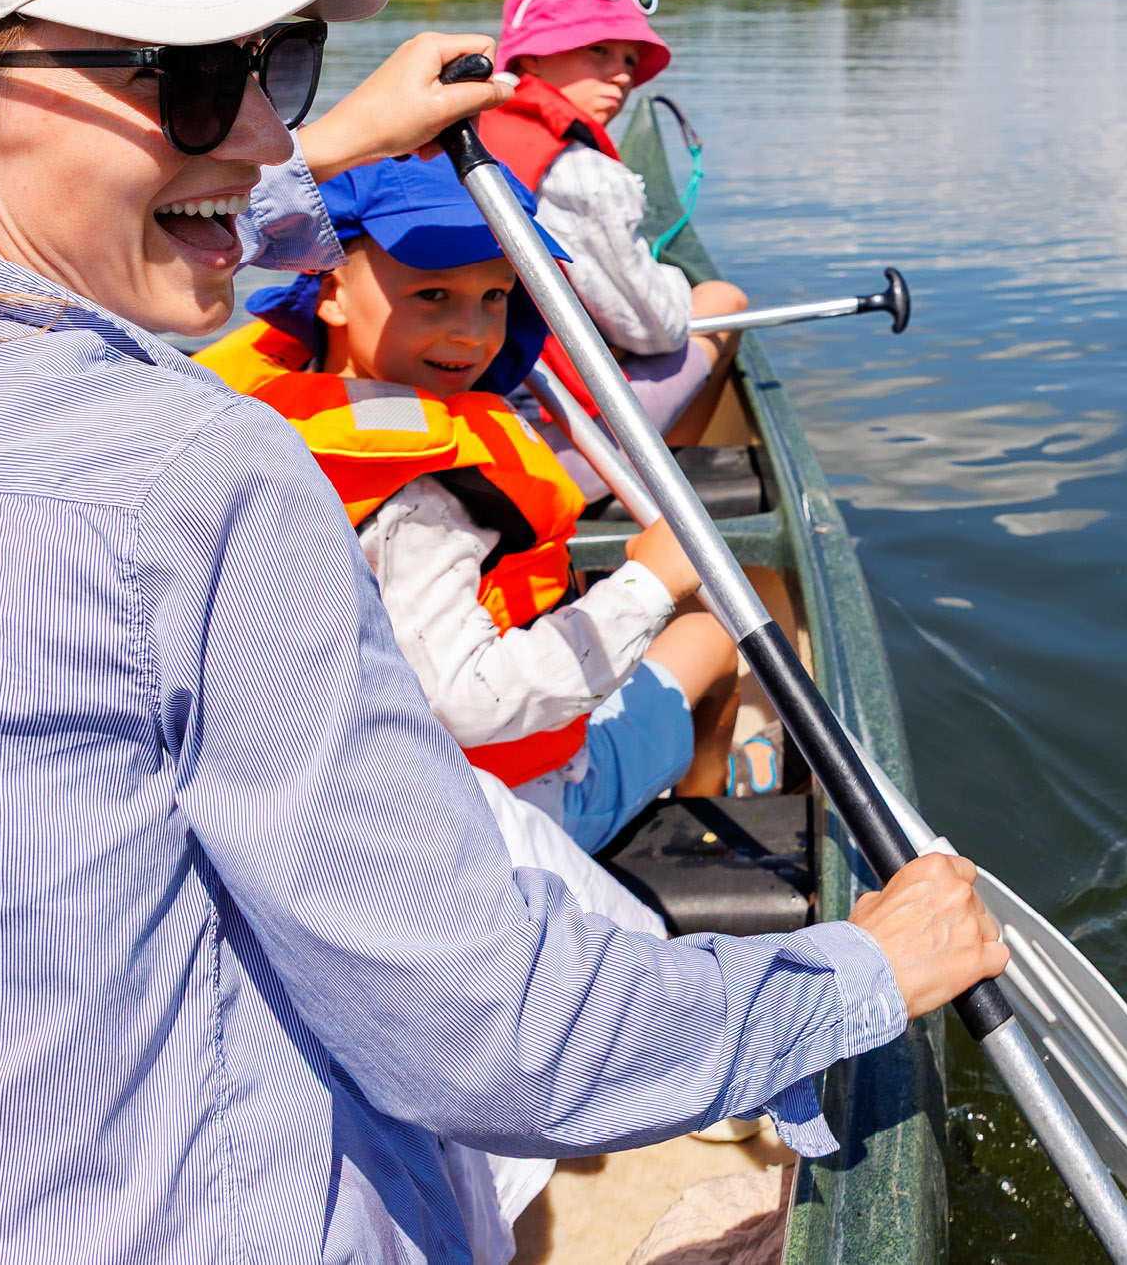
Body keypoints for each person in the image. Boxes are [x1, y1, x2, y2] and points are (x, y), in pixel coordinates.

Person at [0, 0, 1006, 1262]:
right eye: (195, 81)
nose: (268, 136)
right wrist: (852, 969)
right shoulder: (192, 479)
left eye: (272, 67)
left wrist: (340, 131)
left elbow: (191, 204)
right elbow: (494, 1037)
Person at [197, 153, 752, 832]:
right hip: (500, 809)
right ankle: (698, 815)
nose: (475, 332)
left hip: (341, 767)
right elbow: (468, 699)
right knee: (709, 638)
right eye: (434, 294)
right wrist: (648, 584)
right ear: (332, 288)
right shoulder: (426, 495)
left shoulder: (248, 413)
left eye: (496, 296)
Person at [476, 0, 753, 499]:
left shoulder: (466, 128)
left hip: (468, 422)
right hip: (546, 452)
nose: (623, 73)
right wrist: (675, 293)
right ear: (532, 54)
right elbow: (659, 327)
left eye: (628, 56)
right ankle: (667, 472)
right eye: (597, 50)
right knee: (723, 299)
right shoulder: (580, 170)